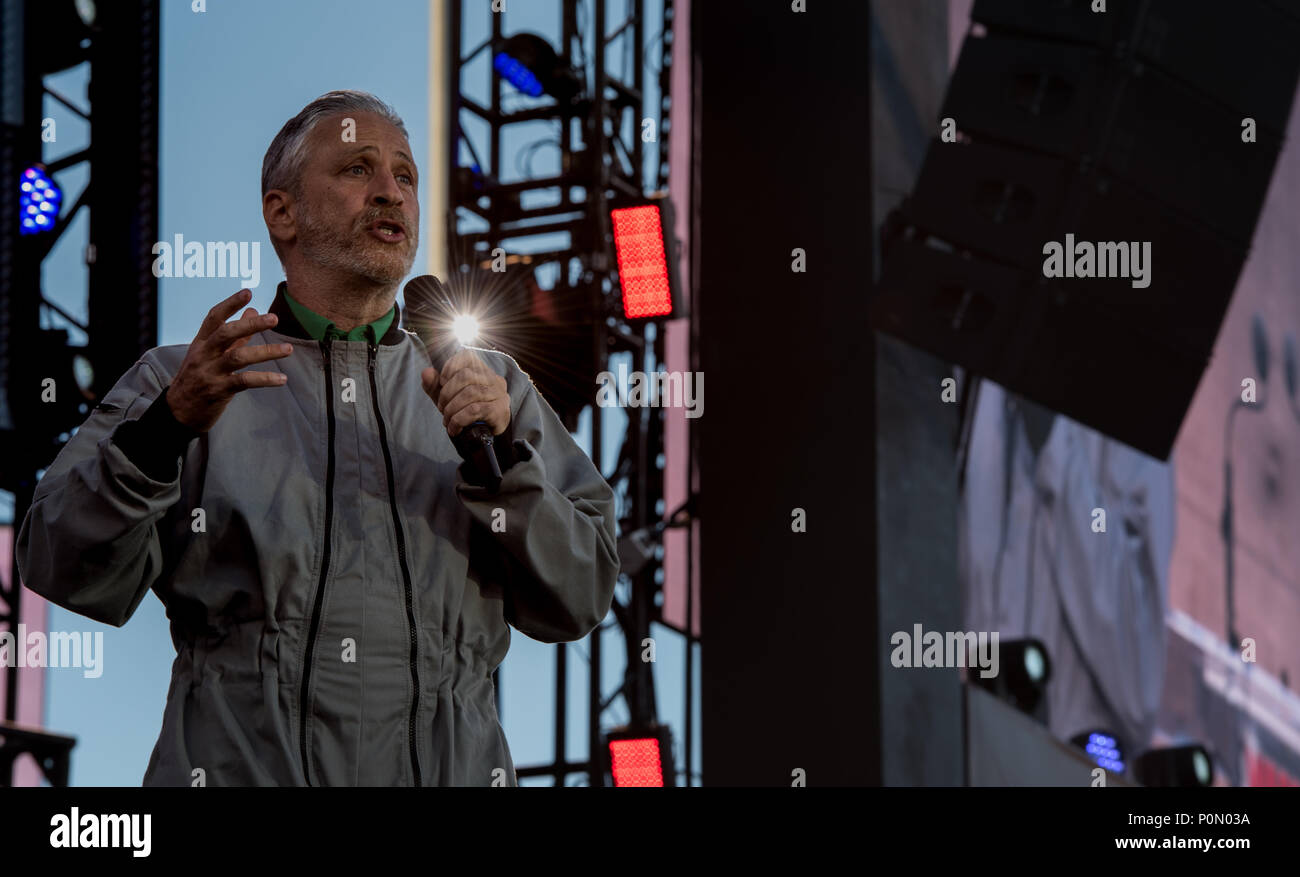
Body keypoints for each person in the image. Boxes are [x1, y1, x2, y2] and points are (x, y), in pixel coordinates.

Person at [15, 91, 620, 787]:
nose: (391, 193)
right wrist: (165, 428)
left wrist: (506, 462)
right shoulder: (188, 378)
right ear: (283, 213)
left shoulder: (490, 388)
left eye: (405, 176)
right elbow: (59, 562)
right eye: (359, 169)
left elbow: (583, 592)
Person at [958, 378, 1175, 763]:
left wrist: (1054, 451)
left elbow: (1140, 693)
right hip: (961, 748)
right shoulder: (971, 381)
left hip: (1066, 762)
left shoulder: (1137, 418)